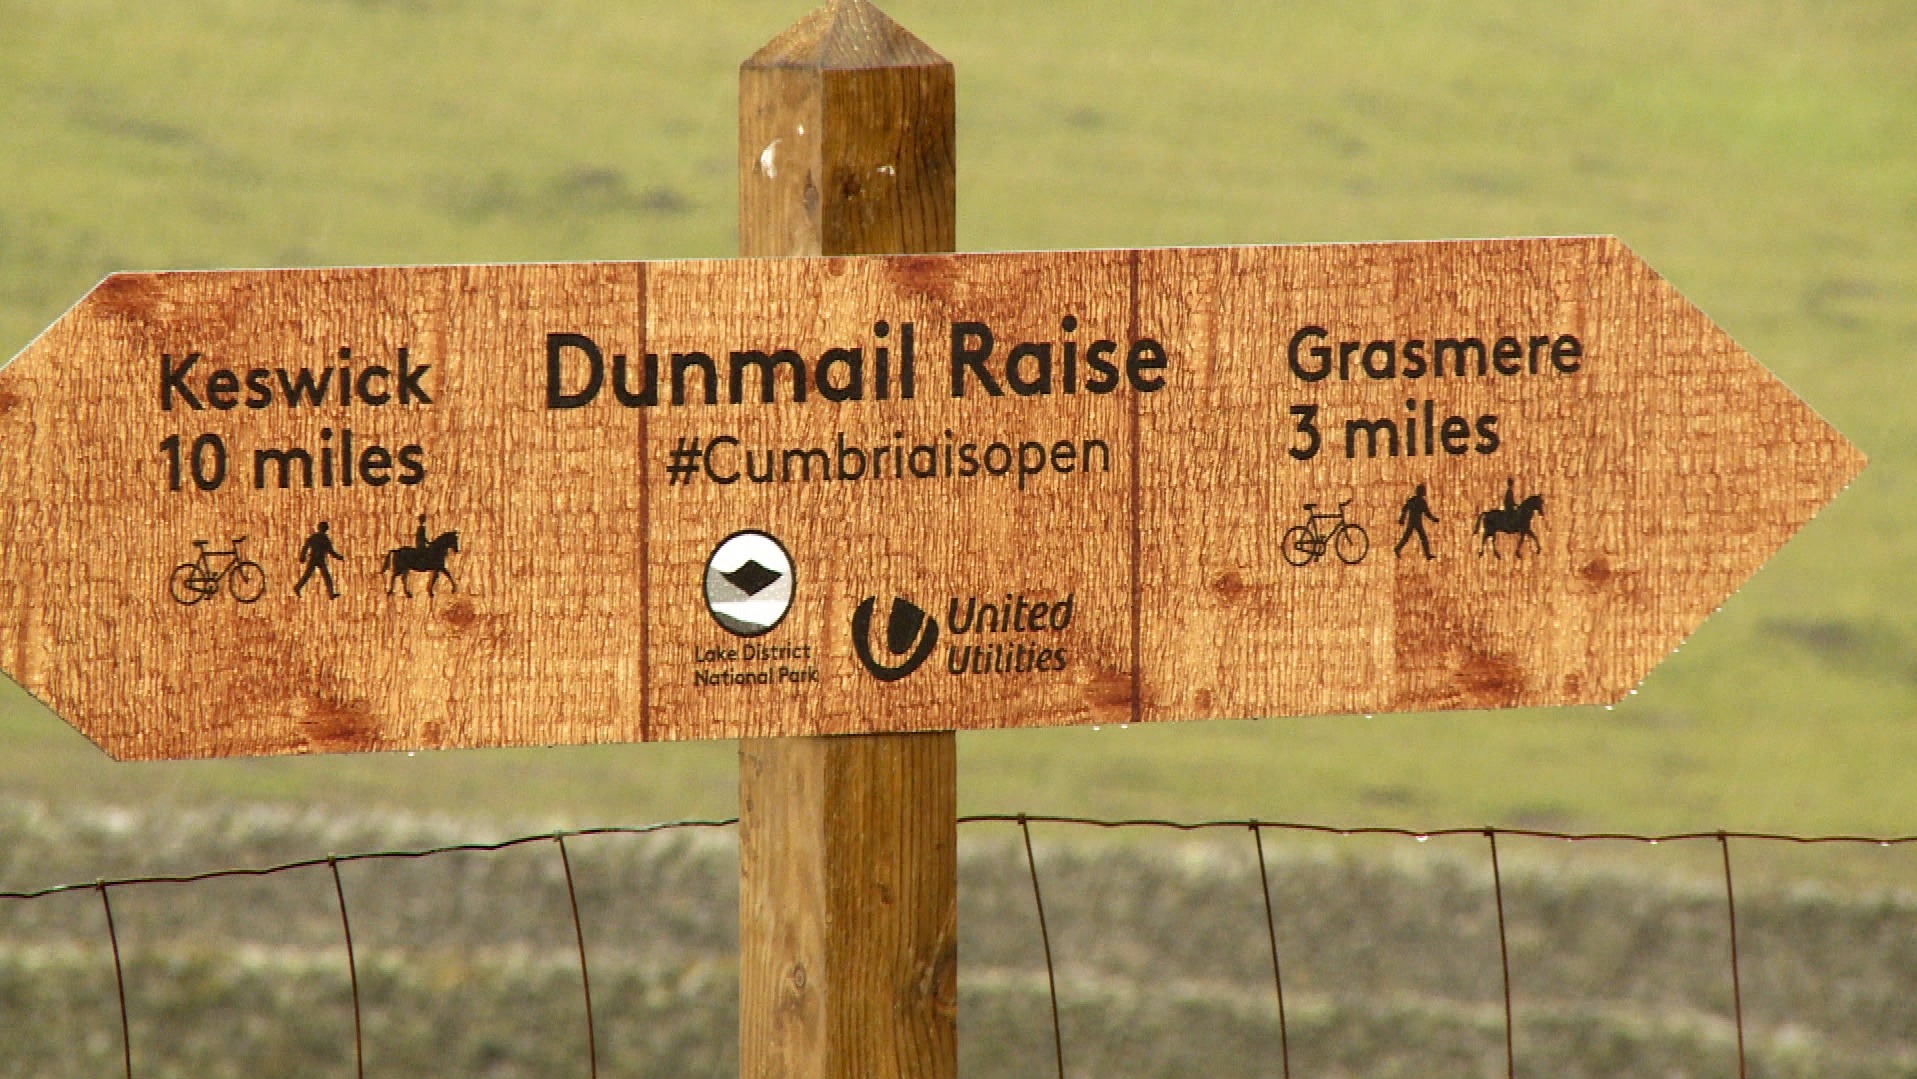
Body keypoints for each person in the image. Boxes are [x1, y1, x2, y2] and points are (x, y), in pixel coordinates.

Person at [295, 522, 345, 599]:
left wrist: (303, 556)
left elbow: (306, 547)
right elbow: (331, 552)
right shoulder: (324, 539)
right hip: (317, 559)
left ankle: (331, 594)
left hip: (317, 559)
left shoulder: (316, 537)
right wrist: (339, 557)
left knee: (316, 575)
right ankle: (330, 593)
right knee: (321, 576)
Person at [1395, 485, 1439, 560]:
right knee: (1421, 538)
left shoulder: (1414, 500)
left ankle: (1398, 548)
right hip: (1415, 523)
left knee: (1410, 537)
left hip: (1414, 522)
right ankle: (1427, 554)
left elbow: (1405, 509)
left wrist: (1402, 518)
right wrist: (1433, 519)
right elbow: (1427, 513)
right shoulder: (1420, 502)